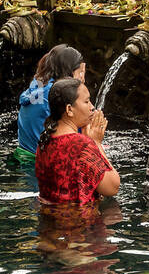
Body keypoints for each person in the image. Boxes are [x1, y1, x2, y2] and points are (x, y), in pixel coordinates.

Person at [34, 78, 121, 206]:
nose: (92, 107)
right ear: (69, 109)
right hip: (79, 217)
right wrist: (96, 143)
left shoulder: (45, 139)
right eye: (86, 101)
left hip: (48, 214)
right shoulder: (82, 144)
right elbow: (112, 187)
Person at [16, 44, 86, 162]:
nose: (83, 78)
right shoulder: (57, 95)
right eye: (81, 72)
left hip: (23, 156)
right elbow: (80, 135)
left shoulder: (37, 86)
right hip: (45, 163)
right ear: (69, 71)